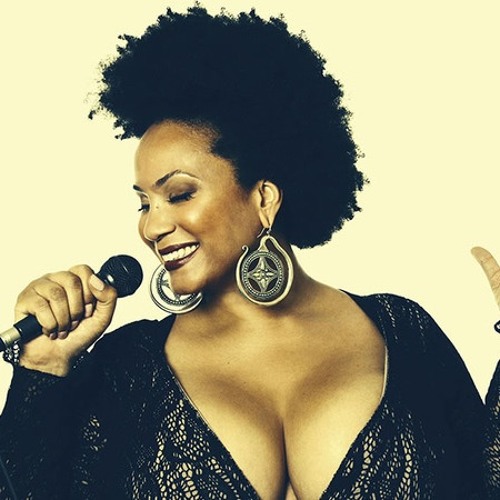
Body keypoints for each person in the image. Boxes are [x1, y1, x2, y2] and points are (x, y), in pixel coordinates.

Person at [0, 6, 498, 499]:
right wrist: (43, 368)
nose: (151, 227)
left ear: (263, 199)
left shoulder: (405, 332)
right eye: (144, 203)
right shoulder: (124, 366)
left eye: (179, 194)